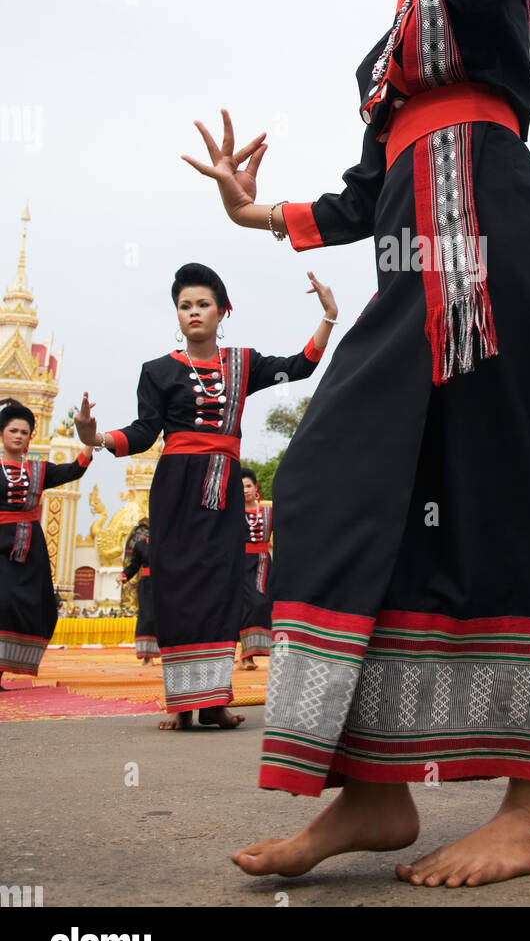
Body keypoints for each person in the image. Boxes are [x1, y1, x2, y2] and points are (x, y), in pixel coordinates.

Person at [184, 0, 530, 888]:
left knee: (503, 493)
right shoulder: (388, 48)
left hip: (495, 261)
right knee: (327, 488)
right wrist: (264, 220)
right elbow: (367, 189)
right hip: (419, 277)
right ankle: (369, 792)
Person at [74, 262, 337, 730]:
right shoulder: (156, 371)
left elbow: (298, 367)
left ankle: (214, 704)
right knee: (178, 584)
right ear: (177, 315)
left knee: (220, 583)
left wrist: (329, 316)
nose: (193, 312)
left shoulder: (244, 363)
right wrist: (95, 437)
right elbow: (143, 432)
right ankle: (181, 706)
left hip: (224, 487)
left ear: (222, 312)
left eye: (202, 305)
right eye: (184, 306)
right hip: (176, 486)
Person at [0, 400, 93, 688]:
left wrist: (88, 438)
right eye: (13, 430)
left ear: (30, 437)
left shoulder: (39, 471)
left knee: (29, 605)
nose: (18, 436)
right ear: (2, 433)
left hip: (30, 550)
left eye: (24, 432)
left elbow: (73, 470)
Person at [237, 468, 273, 671]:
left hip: (264, 563)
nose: (245, 490)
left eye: (248, 486)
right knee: (248, 605)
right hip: (241, 563)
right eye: (241, 487)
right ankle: (246, 655)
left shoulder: (268, 512)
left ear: (256, 488)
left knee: (264, 604)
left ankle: (253, 654)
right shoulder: (233, 513)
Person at [117, 520, 157, 663]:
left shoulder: (169, 543)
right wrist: (124, 575)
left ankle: (169, 655)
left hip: (165, 585)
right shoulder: (141, 545)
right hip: (147, 586)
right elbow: (134, 565)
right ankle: (147, 657)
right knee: (147, 618)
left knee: (165, 618)